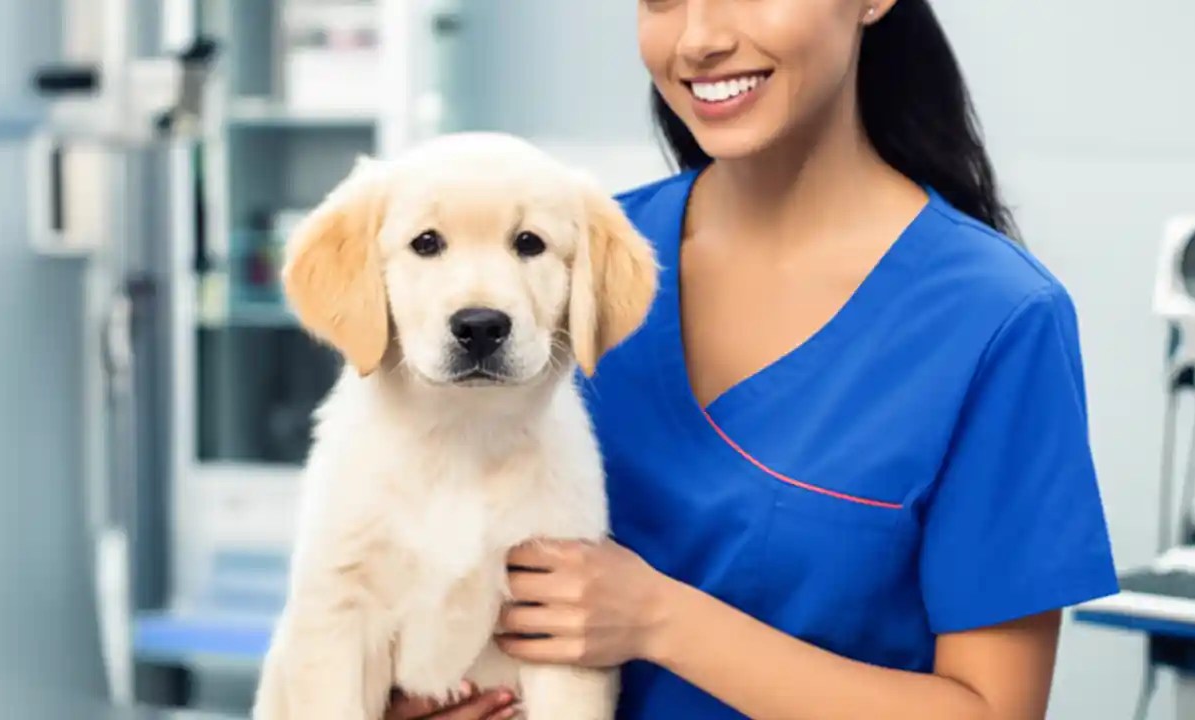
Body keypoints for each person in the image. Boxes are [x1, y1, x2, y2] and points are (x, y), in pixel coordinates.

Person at [386, 0, 1119, 718]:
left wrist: (659, 621)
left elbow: (994, 710)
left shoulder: (994, 319)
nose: (699, 38)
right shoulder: (570, 265)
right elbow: (415, 569)